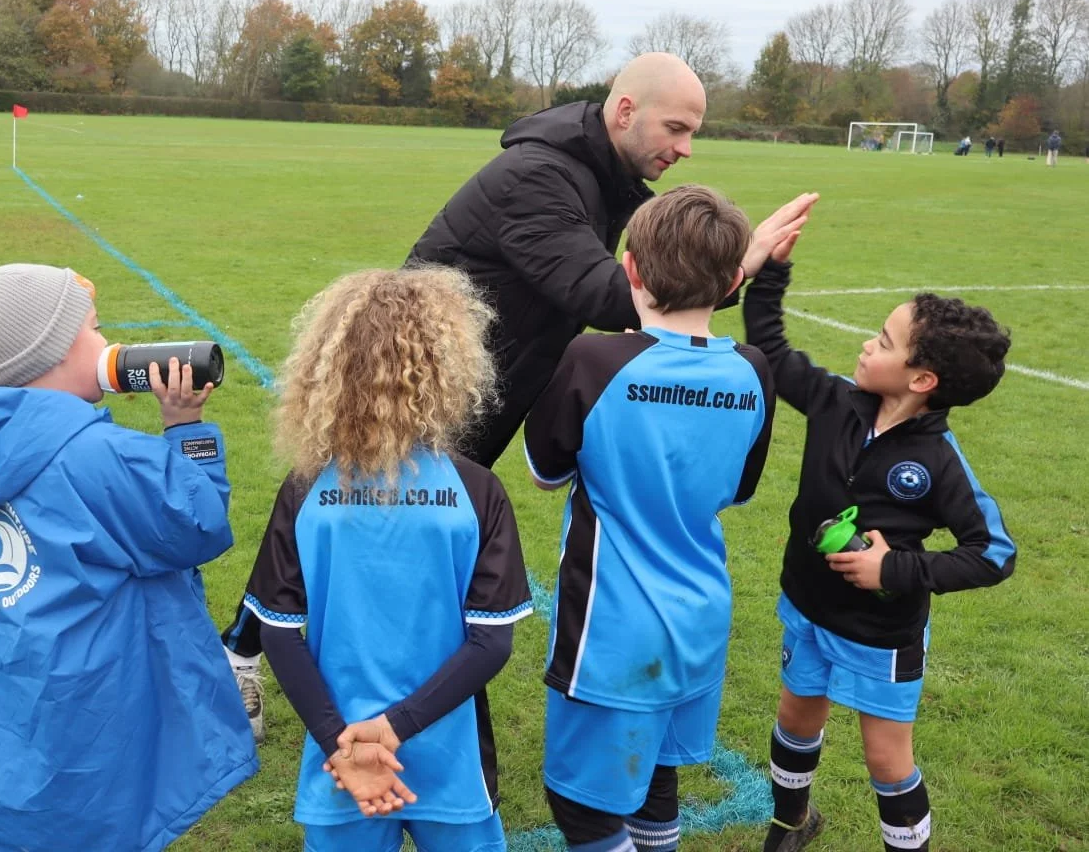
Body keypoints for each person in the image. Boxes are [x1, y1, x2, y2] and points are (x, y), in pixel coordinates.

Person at [218, 54, 817, 717]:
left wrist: (729, 269)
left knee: (401, 526)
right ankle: (243, 651)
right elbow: (605, 292)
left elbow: (637, 289)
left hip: (483, 385)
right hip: (412, 387)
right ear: (625, 112)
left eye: (692, 132)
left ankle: (372, 673)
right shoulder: (538, 177)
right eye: (676, 128)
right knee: (333, 508)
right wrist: (739, 265)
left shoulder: (597, 177)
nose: (686, 148)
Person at [0, 264, 256, 852]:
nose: (105, 340)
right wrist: (185, 428)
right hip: (93, 718)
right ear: (60, 346)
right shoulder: (98, 455)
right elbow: (196, 525)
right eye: (94, 326)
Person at [241, 267, 534, 852]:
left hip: (340, 759)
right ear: (448, 368)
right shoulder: (476, 491)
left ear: (328, 370)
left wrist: (342, 743)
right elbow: (491, 643)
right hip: (449, 758)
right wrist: (396, 729)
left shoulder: (305, 491)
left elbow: (277, 634)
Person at [744, 227, 1016, 852]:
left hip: (880, 633)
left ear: (921, 381)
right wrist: (773, 272)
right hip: (808, 604)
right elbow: (771, 347)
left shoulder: (939, 462)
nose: (868, 344)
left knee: (886, 759)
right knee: (795, 718)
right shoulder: (837, 401)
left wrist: (893, 571)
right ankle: (791, 825)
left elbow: (994, 553)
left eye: (885, 342)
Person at [523, 185, 777, 852]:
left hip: (611, 627)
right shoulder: (753, 370)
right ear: (733, 282)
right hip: (700, 614)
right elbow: (738, 490)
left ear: (629, 268)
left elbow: (545, 472)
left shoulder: (593, 359)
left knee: (579, 805)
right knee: (654, 774)